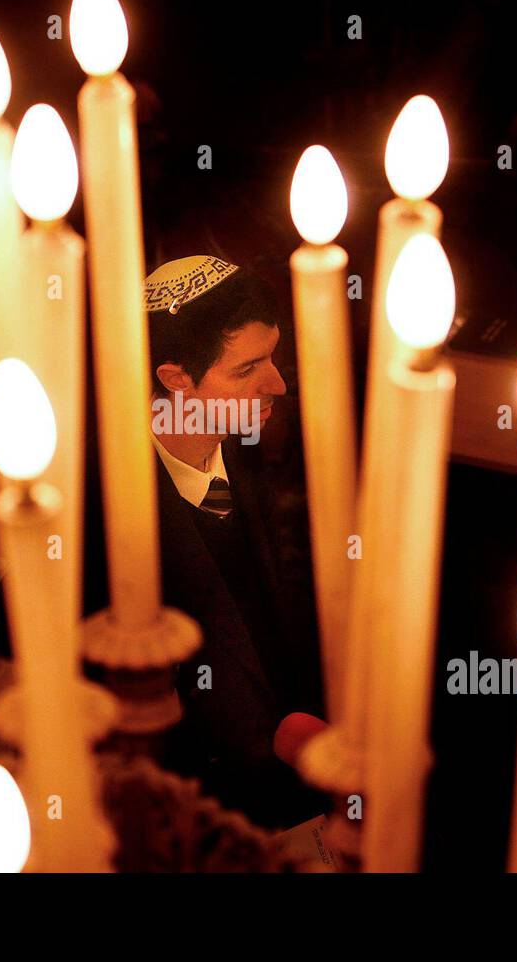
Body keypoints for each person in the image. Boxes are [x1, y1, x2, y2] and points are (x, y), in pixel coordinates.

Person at [142, 254, 326, 829]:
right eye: (247, 369)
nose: (278, 383)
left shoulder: (259, 447)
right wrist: (269, 734)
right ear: (176, 380)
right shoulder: (107, 513)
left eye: (273, 356)